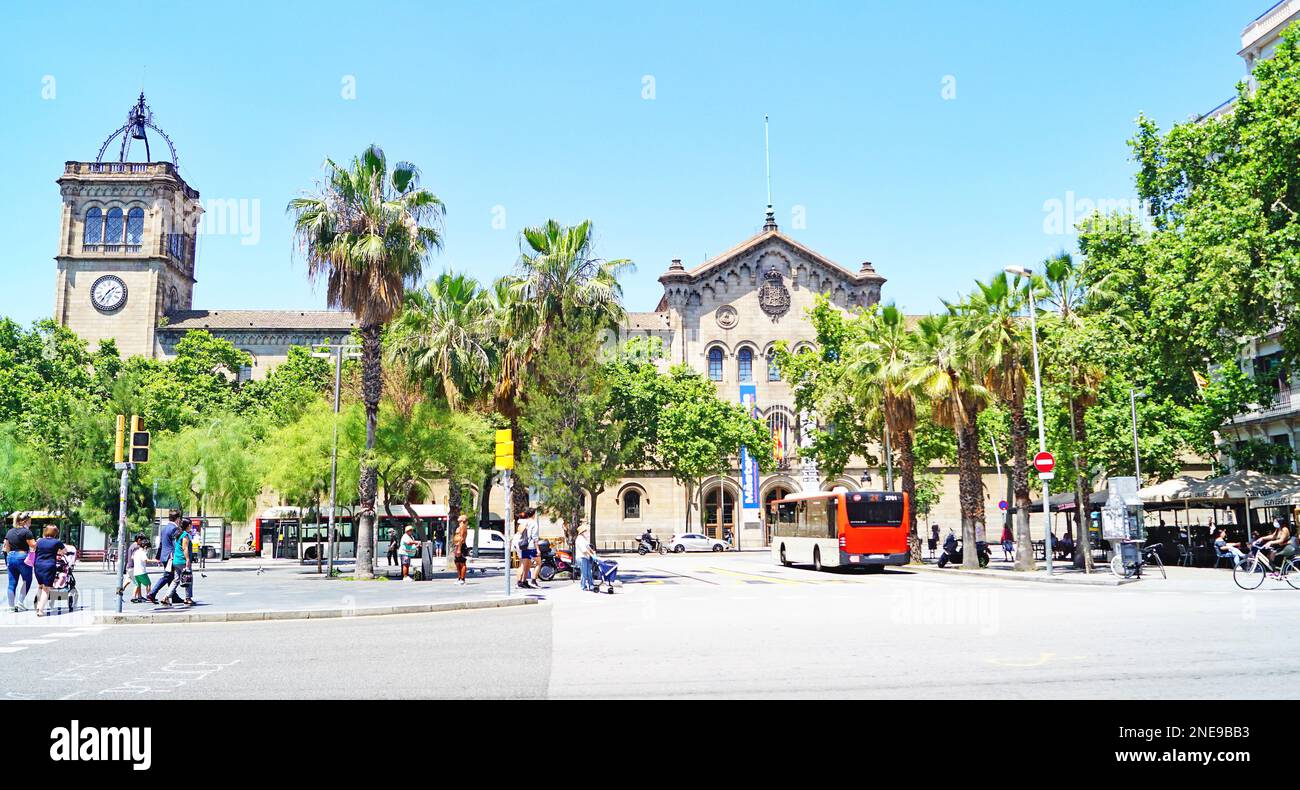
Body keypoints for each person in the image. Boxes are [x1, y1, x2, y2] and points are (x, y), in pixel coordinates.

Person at [147, 510, 184, 604]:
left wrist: (158, 556)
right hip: (170, 557)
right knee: (167, 576)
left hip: (164, 556)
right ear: (178, 519)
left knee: (171, 577)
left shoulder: (164, 528)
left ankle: (174, 597)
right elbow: (176, 544)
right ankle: (152, 593)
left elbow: (161, 544)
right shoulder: (174, 529)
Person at [4, 512, 37, 612]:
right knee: (27, 580)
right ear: (24, 521)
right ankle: (20, 603)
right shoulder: (27, 532)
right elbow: (33, 545)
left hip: (11, 557)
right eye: (29, 522)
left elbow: (6, 547)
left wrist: (8, 559)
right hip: (23, 557)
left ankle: (11, 606)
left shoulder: (9, 532)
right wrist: (38, 542)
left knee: (12, 583)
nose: (30, 524)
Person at [32, 525, 66, 617]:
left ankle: (38, 605)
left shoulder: (39, 541)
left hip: (38, 565)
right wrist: (58, 552)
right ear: (55, 533)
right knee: (46, 589)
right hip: (49, 566)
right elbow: (64, 551)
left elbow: (34, 549)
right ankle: (40, 610)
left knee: (40, 586)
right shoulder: (57, 542)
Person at [161, 523, 194, 607]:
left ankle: (166, 597)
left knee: (176, 580)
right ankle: (188, 598)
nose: (191, 526)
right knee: (188, 578)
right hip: (182, 560)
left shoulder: (178, 534)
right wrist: (187, 560)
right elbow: (185, 548)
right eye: (191, 525)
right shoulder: (185, 535)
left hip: (176, 561)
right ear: (188, 525)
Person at [118, 535, 151, 603]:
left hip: (129, 566)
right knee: (137, 583)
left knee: (128, 581)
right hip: (133, 567)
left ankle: (119, 594)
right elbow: (135, 557)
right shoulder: (136, 547)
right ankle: (134, 596)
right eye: (142, 541)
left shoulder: (132, 545)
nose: (142, 543)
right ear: (139, 540)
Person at [515, 511, 536, 589]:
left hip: (520, 543)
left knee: (526, 563)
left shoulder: (521, 522)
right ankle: (519, 582)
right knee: (523, 563)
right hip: (522, 543)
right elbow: (520, 531)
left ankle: (523, 581)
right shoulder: (524, 523)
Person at [575, 527, 595, 592]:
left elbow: (588, 547)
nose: (586, 532)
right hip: (582, 557)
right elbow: (584, 550)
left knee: (589, 572)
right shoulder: (579, 539)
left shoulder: (584, 538)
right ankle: (583, 586)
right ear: (582, 532)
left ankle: (591, 585)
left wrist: (593, 552)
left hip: (586, 557)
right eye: (584, 531)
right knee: (584, 573)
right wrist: (591, 554)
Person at [453, 514, 469, 585]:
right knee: (457, 562)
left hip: (461, 546)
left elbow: (462, 538)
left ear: (463, 519)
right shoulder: (459, 526)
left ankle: (462, 579)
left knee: (462, 563)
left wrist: (459, 549)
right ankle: (459, 578)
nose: (459, 516)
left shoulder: (463, 526)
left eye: (461, 516)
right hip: (457, 545)